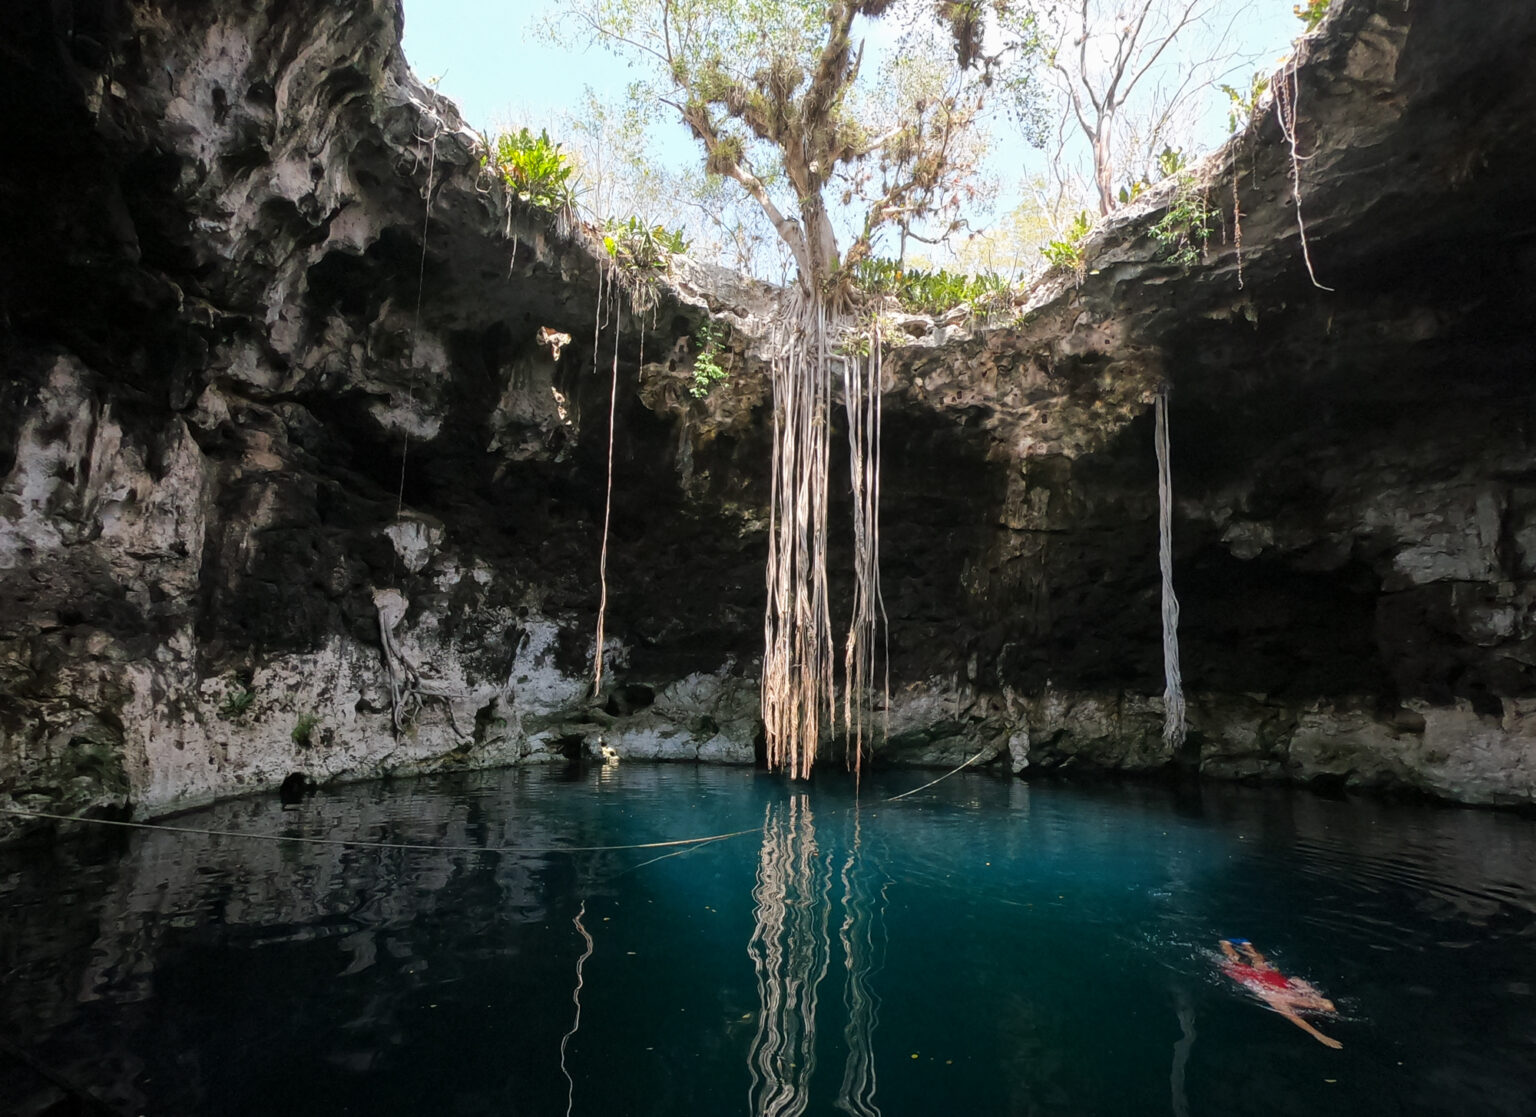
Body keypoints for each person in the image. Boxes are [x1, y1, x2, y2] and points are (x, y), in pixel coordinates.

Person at [1218, 938, 1343, 1049]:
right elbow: (1295, 1019)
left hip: (1266, 978)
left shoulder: (1294, 995)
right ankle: (1231, 943)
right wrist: (1319, 1035)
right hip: (1261, 978)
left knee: (1252, 962)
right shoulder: (1277, 1000)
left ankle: (1240, 943)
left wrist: (1312, 994)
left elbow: (1296, 981)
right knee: (1239, 963)